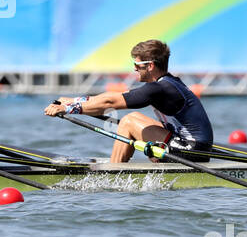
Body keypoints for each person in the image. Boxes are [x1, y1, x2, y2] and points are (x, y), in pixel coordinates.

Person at [43, 39, 212, 162]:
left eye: (137, 65)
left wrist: (67, 109)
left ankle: (113, 174)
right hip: (191, 145)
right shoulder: (165, 84)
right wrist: (72, 101)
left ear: (150, 66)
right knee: (135, 117)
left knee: (129, 121)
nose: (134, 69)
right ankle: (119, 165)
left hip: (192, 150)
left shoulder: (160, 88)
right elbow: (111, 98)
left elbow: (110, 104)